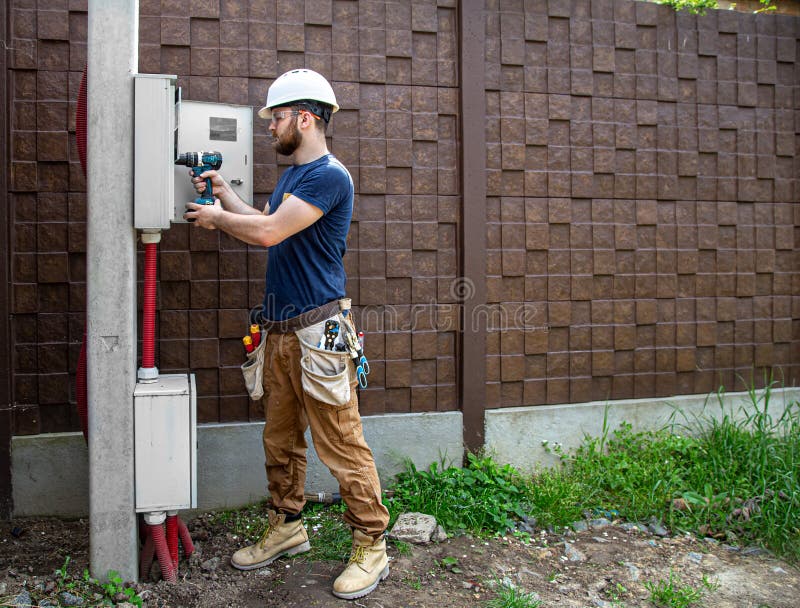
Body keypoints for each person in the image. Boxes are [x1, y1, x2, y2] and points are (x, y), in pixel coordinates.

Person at [184, 68, 390, 601]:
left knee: (341, 444)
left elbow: (268, 232)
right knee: (279, 439)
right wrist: (226, 195)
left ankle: (371, 546)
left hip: (320, 334)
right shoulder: (294, 178)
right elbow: (265, 222)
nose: (270, 127)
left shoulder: (328, 175)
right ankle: (287, 527)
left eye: (276, 118)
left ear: (304, 116)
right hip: (280, 331)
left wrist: (215, 219)